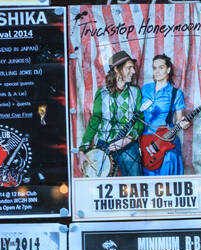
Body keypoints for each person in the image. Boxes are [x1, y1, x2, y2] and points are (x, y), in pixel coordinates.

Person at [78, 50, 144, 178]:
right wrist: (82, 150)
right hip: (104, 145)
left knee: (135, 185)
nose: (134, 72)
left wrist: (127, 139)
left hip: (128, 145)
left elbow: (139, 121)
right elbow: (94, 122)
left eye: (134, 68)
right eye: (129, 68)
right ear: (117, 69)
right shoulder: (102, 93)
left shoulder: (135, 92)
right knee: (99, 184)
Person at [139, 53, 191, 175]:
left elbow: (179, 120)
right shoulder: (145, 89)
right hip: (146, 142)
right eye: (154, 68)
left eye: (161, 68)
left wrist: (184, 124)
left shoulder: (176, 93)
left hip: (165, 140)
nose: (157, 71)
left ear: (168, 69)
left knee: (167, 179)